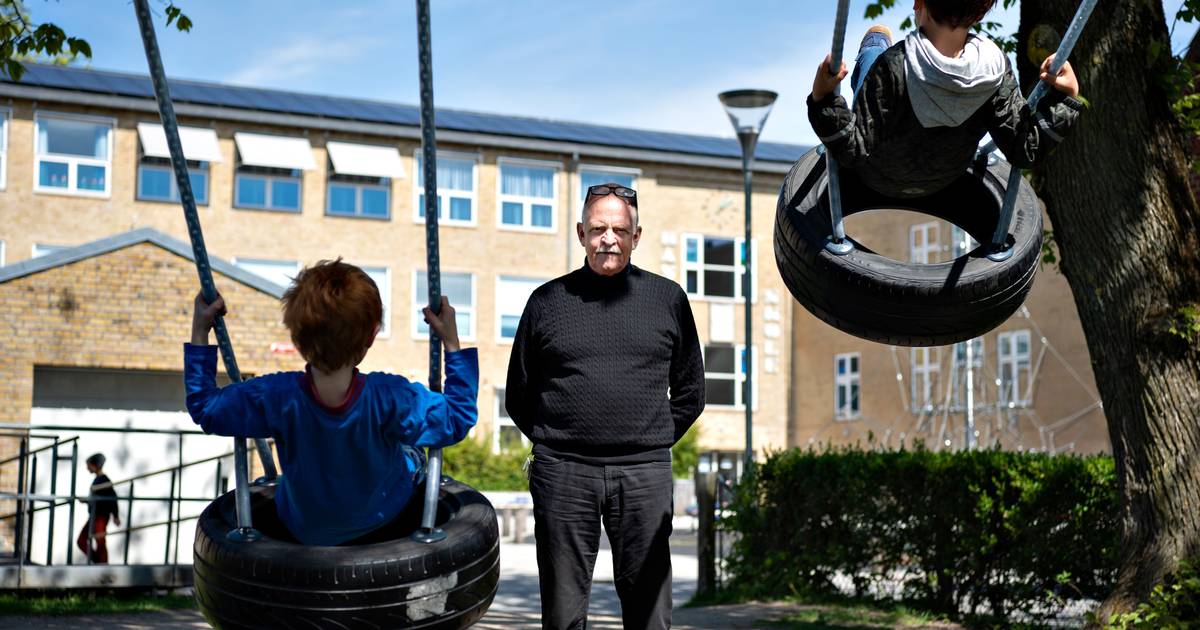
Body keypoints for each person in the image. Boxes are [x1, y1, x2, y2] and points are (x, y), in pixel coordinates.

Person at [506, 183, 705, 629]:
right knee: (562, 611)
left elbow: (691, 391)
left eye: (619, 229)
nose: (608, 239)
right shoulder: (546, 302)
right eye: (598, 229)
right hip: (564, 473)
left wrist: (649, 437)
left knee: (650, 610)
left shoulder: (667, 299)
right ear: (580, 233)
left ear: (637, 236)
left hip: (644, 473)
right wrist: (558, 440)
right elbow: (519, 393)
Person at [184, 259, 477, 545]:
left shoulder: (275, 396)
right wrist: (451, 342)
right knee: (411, 452)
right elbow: (458, 417)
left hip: (303, 527)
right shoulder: (392, 397)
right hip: (385, 519)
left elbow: (205, 408)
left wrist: (200, 329)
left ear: (297, 339)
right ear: (373, 336)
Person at [808, 0, 1083, 199]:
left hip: (877, 177)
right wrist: (1066, 97)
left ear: (918, 4)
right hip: (945, 179)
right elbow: (1027, 148)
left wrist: (822, 99)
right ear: (981, 12)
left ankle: (872, 44)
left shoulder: (893, 66)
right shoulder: (995, 70)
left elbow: (853, 148)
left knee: (871, 61)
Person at [77, 452, 120, 563]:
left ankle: (103, 565)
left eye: (89, 465)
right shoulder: (98, 480)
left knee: (100, 540)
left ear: (95, 465)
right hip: (94, 515)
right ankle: (99, 562)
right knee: (82, 540)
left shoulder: (104, 480)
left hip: (101, 515)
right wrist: (87, 501)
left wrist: (116, 516)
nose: (87, 468)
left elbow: (112, 498)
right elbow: (97, 499)